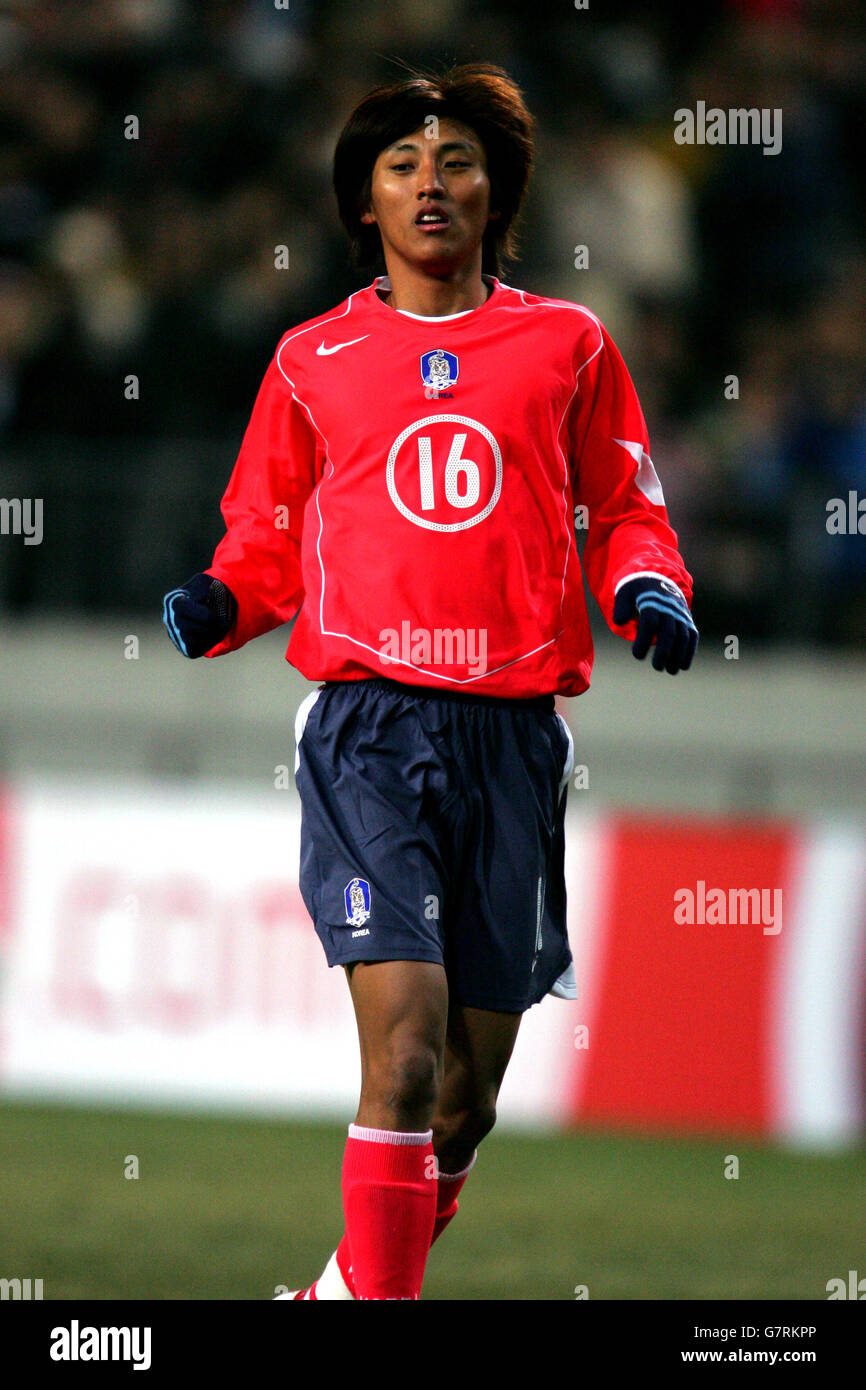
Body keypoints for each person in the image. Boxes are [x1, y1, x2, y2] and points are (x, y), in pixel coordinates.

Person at [162, 62, 698, 1301]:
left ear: (494, 187)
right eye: (401, 165)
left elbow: (624, 507)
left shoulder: (567, 342)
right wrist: (219, 599)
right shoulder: (313, 357)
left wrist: (646, 586)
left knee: (463, 1100)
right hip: (366, 731)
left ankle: (339, 1295)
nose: (429, 184)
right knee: (401, 1058)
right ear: (364, 200)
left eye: (455, 161)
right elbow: (264, 534)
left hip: (512, 739)